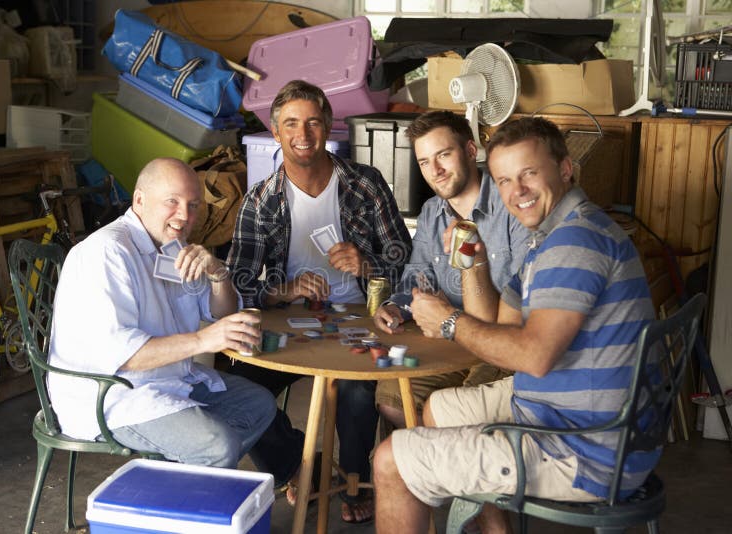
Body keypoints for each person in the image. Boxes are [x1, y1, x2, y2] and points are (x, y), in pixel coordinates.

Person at [373, 117, 656, 533]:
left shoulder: (574, 243)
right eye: (504, 180)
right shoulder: (553, 233)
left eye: (528, 174)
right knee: (439, 407)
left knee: (389, 460)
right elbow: (499, 324)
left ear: (565, 170)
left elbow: (533, 355)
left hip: (584, 449)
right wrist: (473, 257)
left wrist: (450, 321)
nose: (515, 192)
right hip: (572, 414)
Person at [227, 79, 412, 523]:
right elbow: (238, 280)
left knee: (354, 391)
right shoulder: (260, 199)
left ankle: (352, 480)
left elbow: (405, 260)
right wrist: (283, 290)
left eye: (313, 122)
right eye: (291, 123)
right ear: (275, 132)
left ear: (329, 125)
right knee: (236, 387)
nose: (303, 133)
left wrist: (366, 264)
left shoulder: (365, 184)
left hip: (359, 316)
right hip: (288, 322)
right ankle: (294, 465)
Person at [48, 157, 276, 468]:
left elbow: (220, 315)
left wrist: (217, 272)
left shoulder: (173, 246)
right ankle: (188, 489)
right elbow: (124, 356)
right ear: (139, 200)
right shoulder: (107, 252)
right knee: (218, 445)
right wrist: (202, 340)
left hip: (168, 379)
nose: (184, 215)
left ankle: (181, 482)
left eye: (193, 205)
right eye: (172, 201)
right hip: (113, 394)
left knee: (258, 405)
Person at [371, 110, 529, 429]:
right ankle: (425, 467)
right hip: (449, 339)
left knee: (458, 413)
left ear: (471, 151)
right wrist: (394, 307)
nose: (436, 171)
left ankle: (441, 462)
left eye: (443, 155)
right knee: (391, 398)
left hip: (504, 343)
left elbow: (523, 303)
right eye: (425, 162)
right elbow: (418, 279)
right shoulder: (431, 212)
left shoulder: (511, 203)